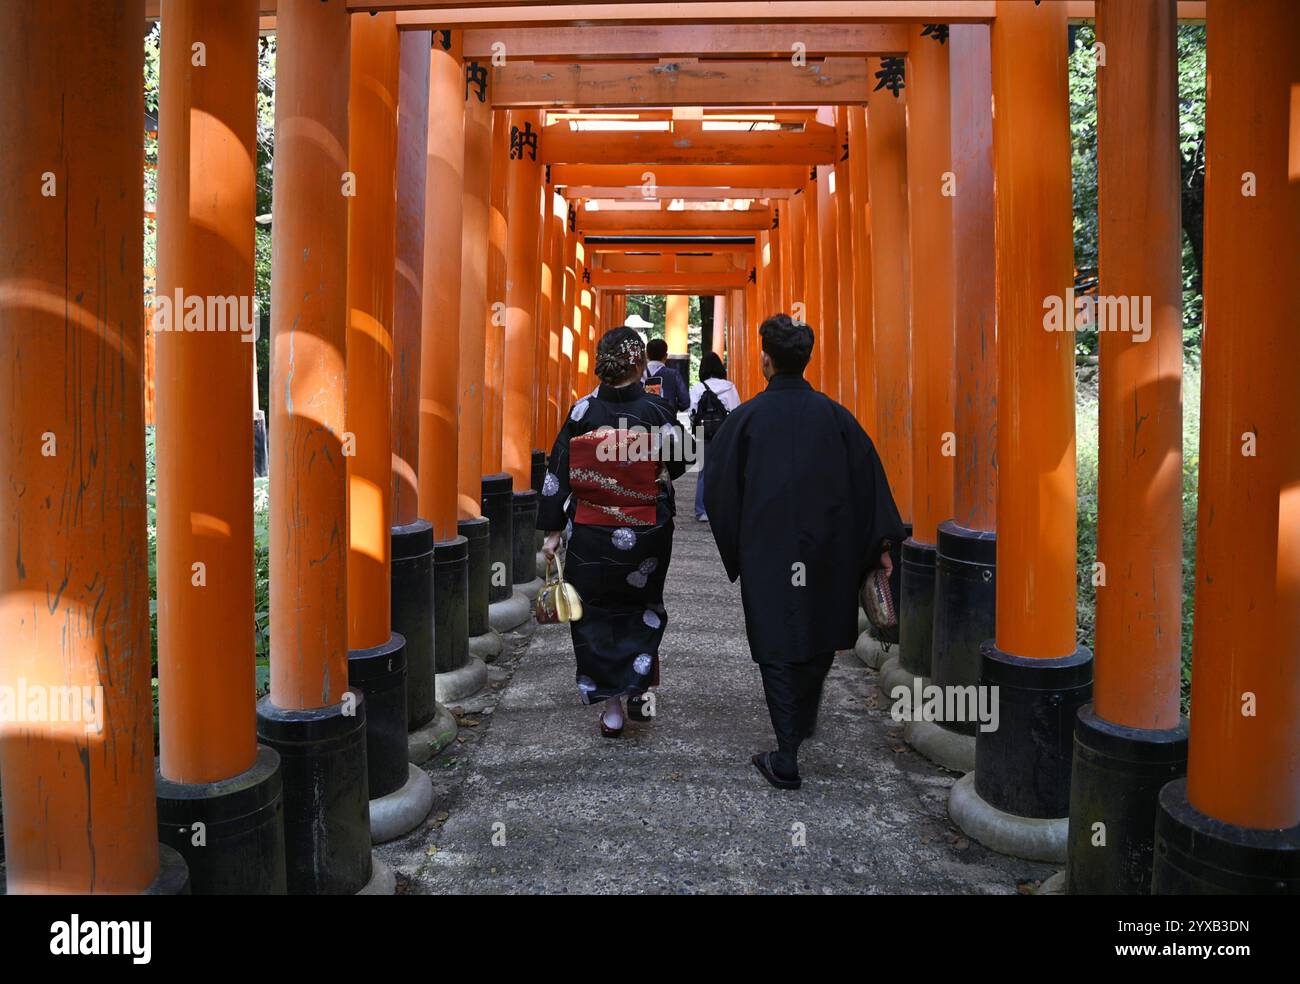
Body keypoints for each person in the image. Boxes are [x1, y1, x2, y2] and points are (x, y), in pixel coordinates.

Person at [703, 313, 903, 790]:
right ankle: (798, 725)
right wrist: (878, 545)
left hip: (766, 550)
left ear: (765, 360)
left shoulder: (745, 419)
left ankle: (787, 750)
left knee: (775, 642)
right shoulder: (836, 418)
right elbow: (869, 483)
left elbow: (718, 491)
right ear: (804, 359)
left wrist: (738, 548)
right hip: (827, 548)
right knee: (817, 636)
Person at [538, 326, 688, 737]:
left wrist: (553, 531)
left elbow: (558, 474)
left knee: (596, 613)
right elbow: (680, 462)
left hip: (593, 530)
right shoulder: (656, 411)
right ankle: (639, 683)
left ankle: (612, 708)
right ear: (638, 362)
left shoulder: (582, 412)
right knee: (642, 605)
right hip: (645, 531)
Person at [687, 350, 741, 522]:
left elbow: (692, 412)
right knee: (726, 470)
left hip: (704, 432)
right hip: (725, 431)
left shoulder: (697, 388)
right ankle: (724, 507)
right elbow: (736, 409)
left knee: (704, 472)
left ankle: (702, 510)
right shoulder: (730, 387)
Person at [643, 336, 690, 414]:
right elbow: (685, 402)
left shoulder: (639, 374)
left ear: (646, 355)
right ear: (665, 356)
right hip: (667, 419)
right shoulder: (673, 375)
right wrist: (673, 405)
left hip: (644, 420)